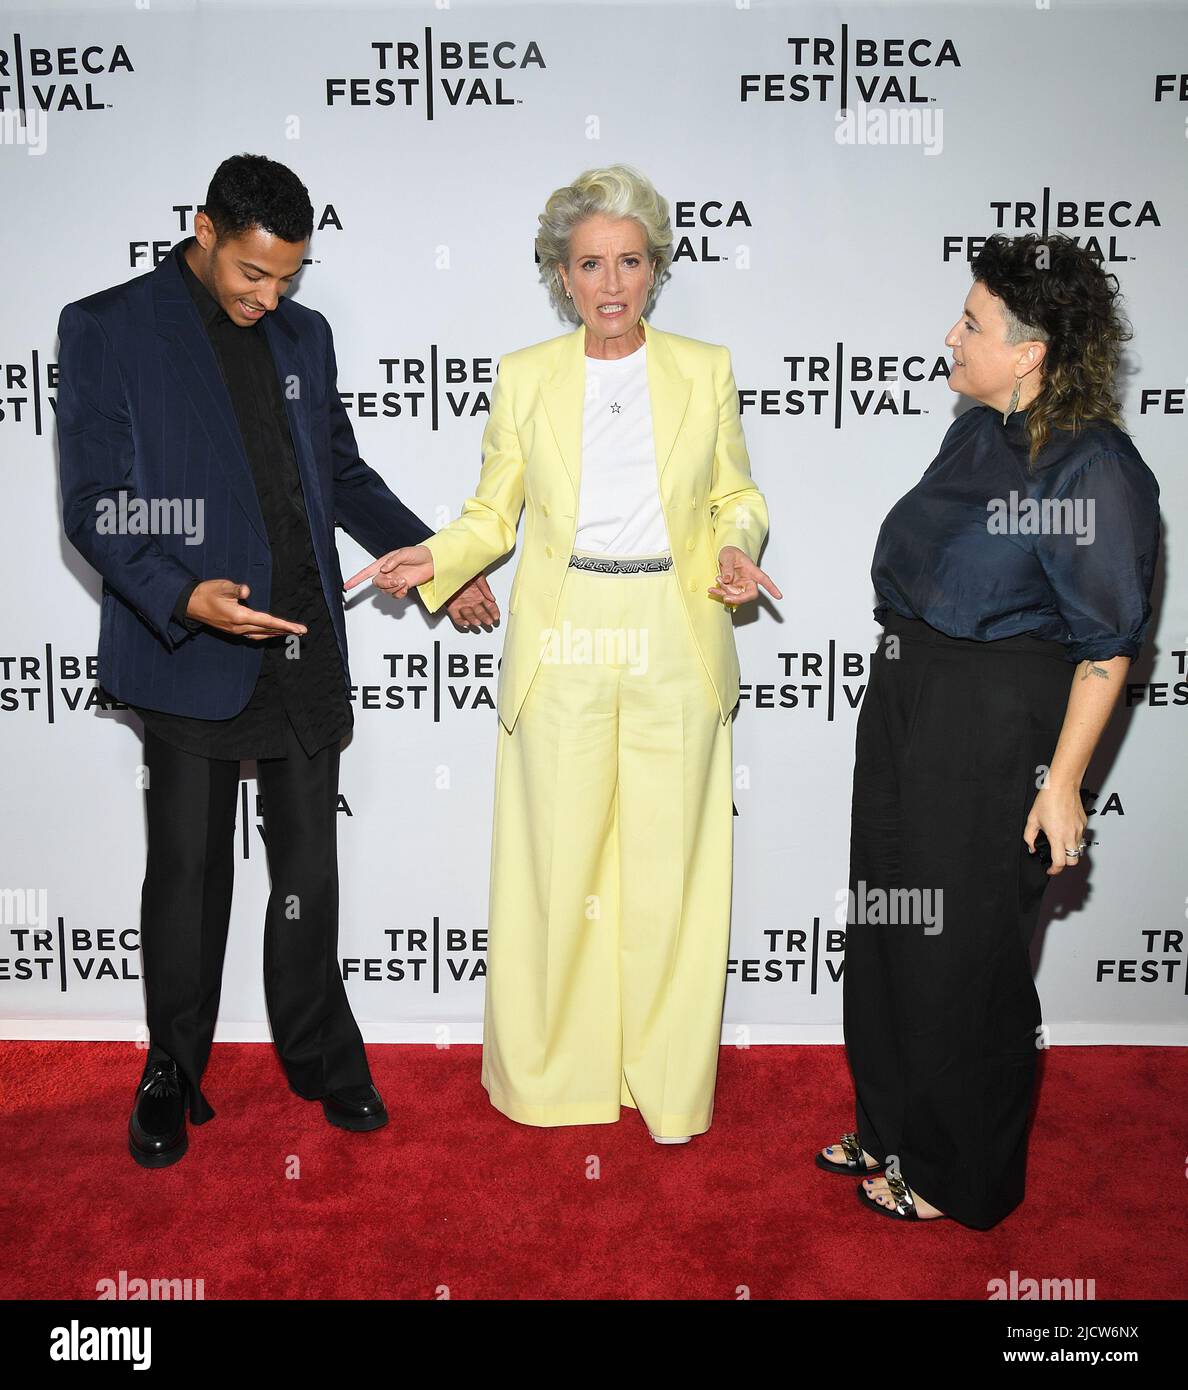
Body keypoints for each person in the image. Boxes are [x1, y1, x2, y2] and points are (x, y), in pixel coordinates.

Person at [57, 153, 490, 1167]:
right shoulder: (109, 327)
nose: (269, 296)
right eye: (253, 273)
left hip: (299, 640)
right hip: (189, 643)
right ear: (203, 231)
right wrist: (182, 593)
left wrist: (438, 564)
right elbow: (96, 503)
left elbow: (339, 473)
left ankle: (320, 1051)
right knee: (189, 872)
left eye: (287, 277)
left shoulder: (305, 334)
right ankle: (172, 1066)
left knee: (307, 866)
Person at [347, 165, 779, 1142]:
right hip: (566, 629)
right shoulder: (526, 375)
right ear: (561, 273)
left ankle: (666, 1087)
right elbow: (493, 513)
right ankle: (556, 1080)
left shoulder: (704, 367)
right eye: (591, 263)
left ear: (657, 268)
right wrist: (432, 559)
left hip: (675, 629)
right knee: (560, 868)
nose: (613, 282)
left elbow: (736, 498)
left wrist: (737, 552)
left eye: (630, 260)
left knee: (672, 872)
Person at [819, 234, 1160, 1226]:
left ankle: (961, 1172)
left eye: (972, 323)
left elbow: (1106, 645)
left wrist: (1060, 781)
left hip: (996, 715)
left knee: (961, 948)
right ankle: (890, 1128)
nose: (950, 336)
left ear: (1032, 349)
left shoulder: (1095, 468)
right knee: (889, 922)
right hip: (909, 692)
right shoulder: (977, 430)